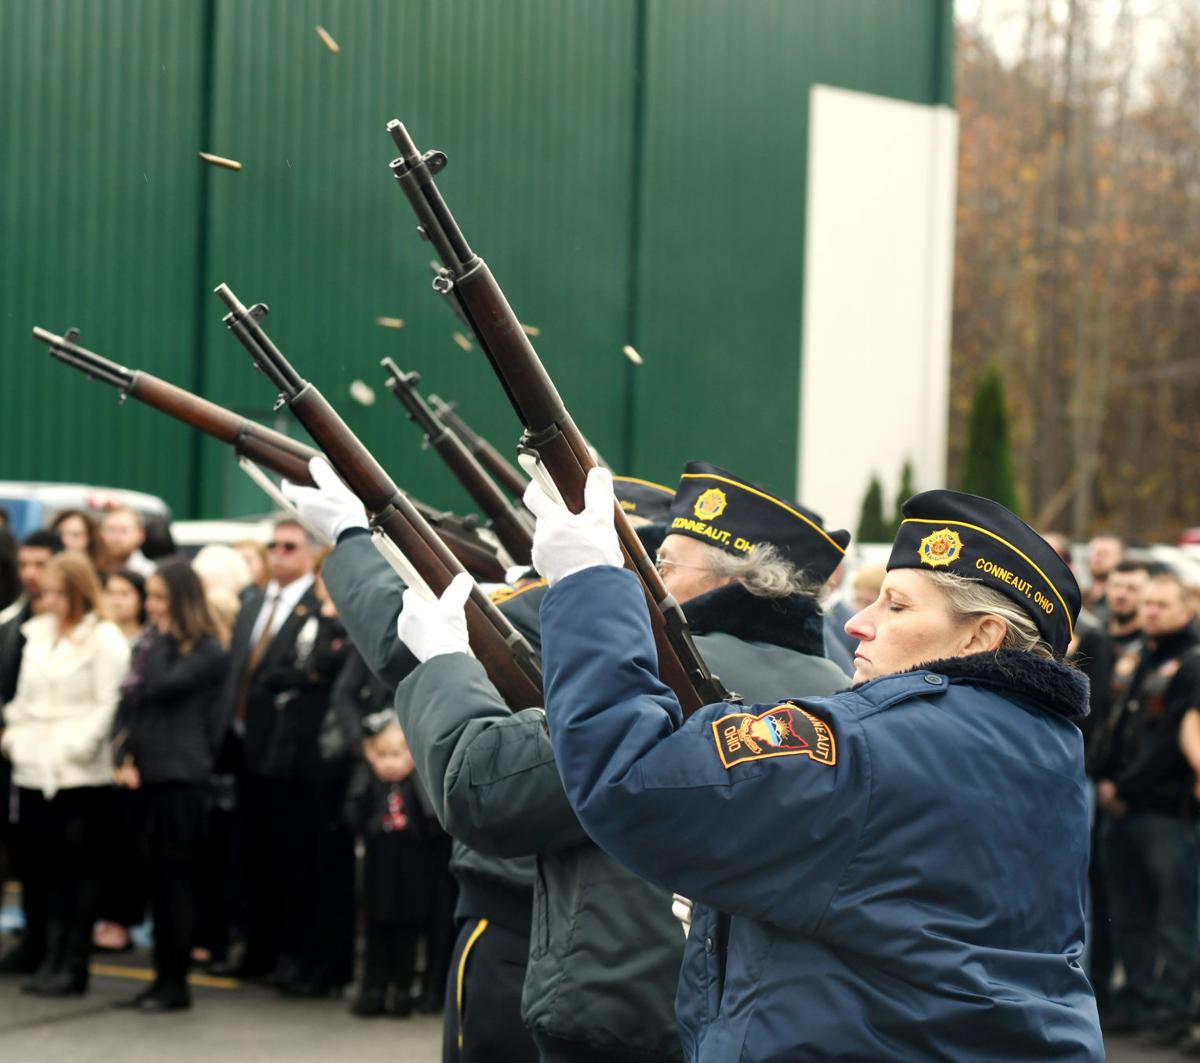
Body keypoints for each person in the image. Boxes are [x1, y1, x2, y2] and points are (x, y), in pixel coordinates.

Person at [288, 457, 852, 1062]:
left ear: (724, 579)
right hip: (762, 1024)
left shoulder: (656, 676)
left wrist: (440, 657)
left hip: (620, 1012)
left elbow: (484, 787)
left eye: (664, 563)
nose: (649, 576)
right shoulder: (845, 690)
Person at [519, 477, 1102, 1060]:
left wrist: (589, 580)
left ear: (982, 636)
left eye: (896, 605)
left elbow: (631, 778)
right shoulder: (1048, 751)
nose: (856, 622)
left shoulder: (873, 742)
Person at [1, 553, 130, 995]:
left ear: (78, 592)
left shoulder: (105, 639)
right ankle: (50, 957)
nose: (49, 600)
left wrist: (79, 747)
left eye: (58, 592)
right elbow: (21, 696)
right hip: (33, 766)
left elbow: (109, 702)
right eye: (46, 592)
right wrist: (13, 737)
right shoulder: (36, 634)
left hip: (80, 775)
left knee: (80, 873)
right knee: (43, 871)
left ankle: (73, 964)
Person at [1087, 570, 1200, 1043]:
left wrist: (1123, 787)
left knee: (1172, 918)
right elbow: (1115, 727)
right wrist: (1104, 775)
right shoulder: (1139, 657)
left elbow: (1168, 742)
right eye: (1147, 603)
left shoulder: (1191, 663)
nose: (1150, 610)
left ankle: (1171, 1012)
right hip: (1123, 807)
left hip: (1164, 811)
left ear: (1186, 610)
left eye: (1161, 604)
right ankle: (1135, 1003)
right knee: (1125, 912)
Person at [111, 559, 228, 1011]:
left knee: (175, 884)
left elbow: (158, 686)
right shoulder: (153, 645)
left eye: (160, 597)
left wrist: (152, 642)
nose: (151, 606)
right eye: (150, 597)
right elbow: (130, 701)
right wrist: (123, 756)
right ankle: (161, 977)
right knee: (156, 882)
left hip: (181, 778)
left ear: (180, 600)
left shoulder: (205, 649)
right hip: (148, 773)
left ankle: (175, 982)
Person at [209, 518, 319, 982]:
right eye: (273, 546)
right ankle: (256, 948)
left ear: (312, 553)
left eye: (289, 547)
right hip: (243, 746)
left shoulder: (318, 608)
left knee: (290, 858)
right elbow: (237, 673)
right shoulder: (253, 604)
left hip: (289, 754)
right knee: (248, 856)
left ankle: (289, 953)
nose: (278, 554)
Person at [346, 719, 446, 1018]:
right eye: (382, 755)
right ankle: (373, 988)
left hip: (413, 874)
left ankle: (402, 990)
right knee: (376, 932)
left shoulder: (418, 783)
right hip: (379, 869)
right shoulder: (368, 781)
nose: (389, 764)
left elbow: (433, 821)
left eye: (397, 755)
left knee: (407, 935)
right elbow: (353, 813)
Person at [0, 529, 63, 973]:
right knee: (23, 856)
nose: (31, 575)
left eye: (41, 565)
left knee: (57, 862)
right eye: (25, 565)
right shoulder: (10, 623)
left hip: (64, 764)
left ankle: (57, 951)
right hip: (15, 758)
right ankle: (32, 942)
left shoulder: (83, 628)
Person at [49, 509, 111, 575]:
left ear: (89, 539)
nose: (65, 540)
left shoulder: (102, 577)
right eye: (60, 534)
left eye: (76, 535)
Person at [99, 506, 155, 578]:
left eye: (124, 531)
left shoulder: (150, 574)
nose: (116, 538)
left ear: (141, 535)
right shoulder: (91, 569)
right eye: (111, 530)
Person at [1086, 532, 1125, 618]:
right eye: (1095, 553)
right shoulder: (1080, 596)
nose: (1098, 558)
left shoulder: (1121, 601)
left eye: (1105, 554)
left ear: (1121, 558)